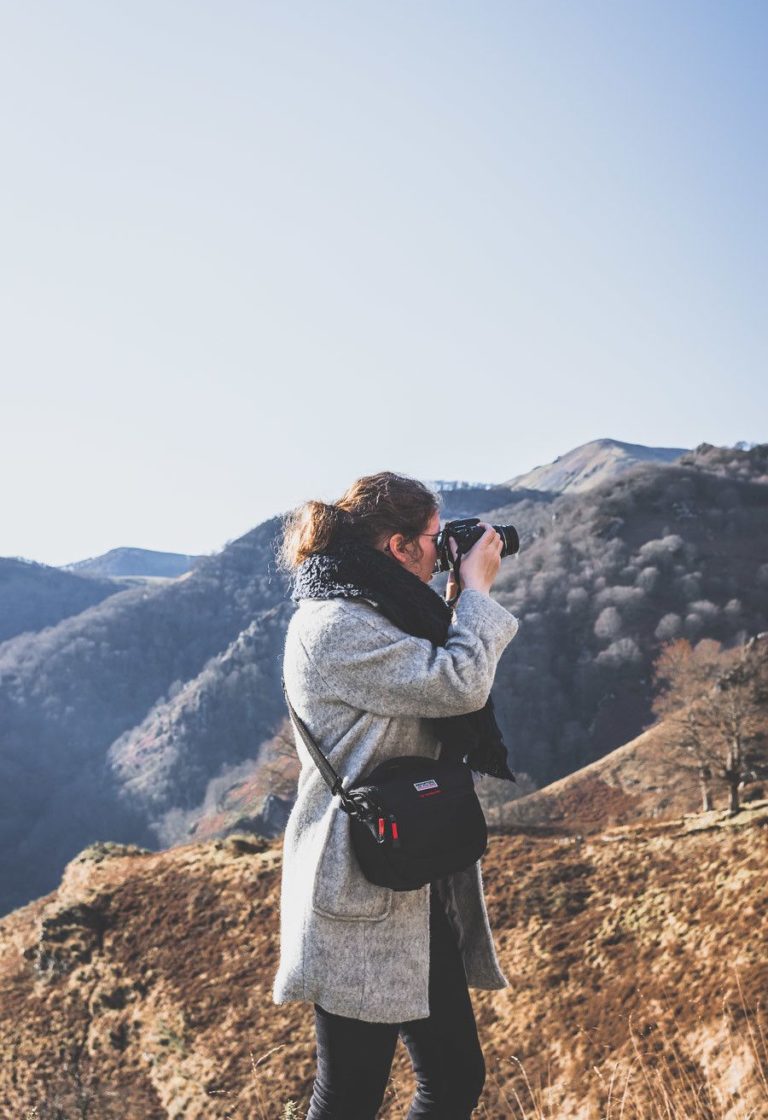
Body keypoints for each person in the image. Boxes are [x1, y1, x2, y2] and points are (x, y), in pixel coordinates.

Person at [273, 471, 520, 1119]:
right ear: (398, 546)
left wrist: (452, 596)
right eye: (436, 541)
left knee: (455, 1077)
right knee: (350, 1097)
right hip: (357, 887)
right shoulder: (334, 625)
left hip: (410, 880)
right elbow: (458, 683)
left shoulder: (381, 610)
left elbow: (439, 675)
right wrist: (474, 592)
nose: (444, 552)